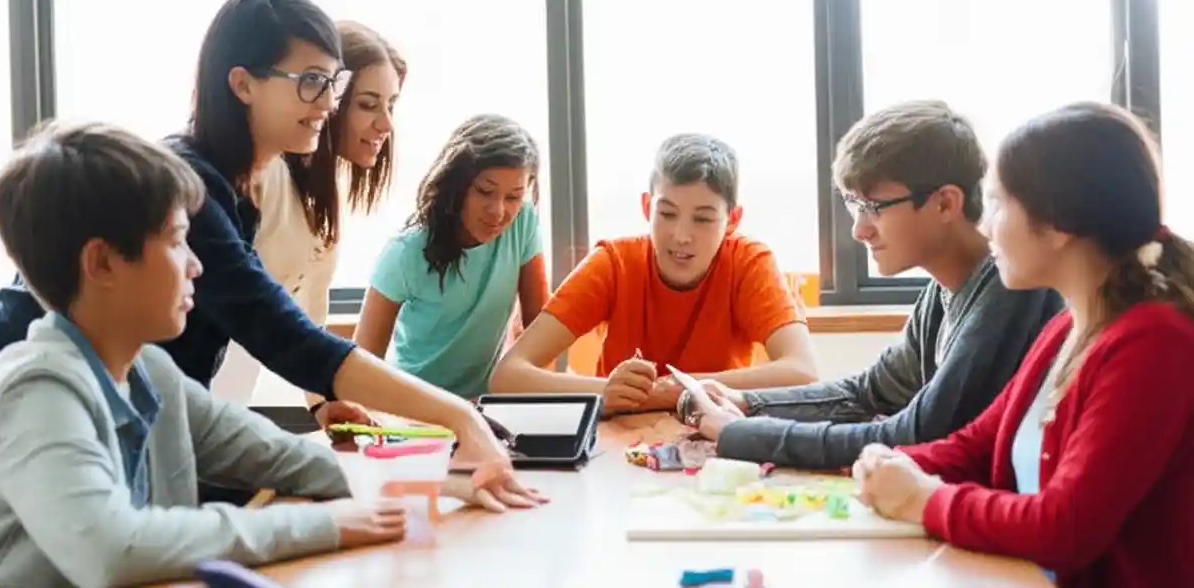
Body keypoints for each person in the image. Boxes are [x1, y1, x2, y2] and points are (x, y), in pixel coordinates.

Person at [0, 0, 531, 502]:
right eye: (312, 83)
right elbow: (282, 333)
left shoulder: (234, 189)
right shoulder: (189, 186)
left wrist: (420, 467)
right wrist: (457, 416)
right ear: (243, 84)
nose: (328, 105)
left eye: (332, 84)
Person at [0, 122, 534, 588]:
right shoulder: (37, 388)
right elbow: (111, 548)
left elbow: (278, 458)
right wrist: (327, 524)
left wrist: (448, 483)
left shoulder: (149, 372)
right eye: (177, 243)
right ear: (100, 265)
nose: (197, 264)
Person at [855, 103, 1194, 587]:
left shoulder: (1155, 343)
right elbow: (977, 445)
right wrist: (894, 461)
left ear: (1057, 225)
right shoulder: (1067, 328)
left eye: (996, 204)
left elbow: (1066, 526)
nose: (985, 226)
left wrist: (922, 499)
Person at [689, 101, 1061, 469]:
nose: (859, 229)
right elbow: (869, 393)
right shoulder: (942, 291)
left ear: (946, 204)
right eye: (855, 206)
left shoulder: (1007, 288)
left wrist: (743, 433)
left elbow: (917, 434)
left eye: (875, 207)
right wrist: (746, 402)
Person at [489, 133, 818, 414]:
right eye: (667, 214)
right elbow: (507, 376)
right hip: (617, 444)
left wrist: (675, 387)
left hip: (712, 432)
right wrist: (605, 391)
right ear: (647, 208)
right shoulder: (613, 263)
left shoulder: (750, 262)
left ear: (732, 220)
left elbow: (803, 371)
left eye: (702, 219)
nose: (681, 235)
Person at [246, 20, 403, 424]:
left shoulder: (325, 189)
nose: (386, 124)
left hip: (219, 400)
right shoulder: (268, 175)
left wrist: (322, 402)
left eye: (391, 105)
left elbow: (309, 314)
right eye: (368, 104)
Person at [354, 114, 547, 399]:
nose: (498, 211)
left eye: (514, 196)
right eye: (485, 191)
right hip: (417, 407)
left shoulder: (523, 222)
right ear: (457, 186)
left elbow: (539, 329)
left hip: (488, 404)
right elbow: (364, 363)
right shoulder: (405, 252)